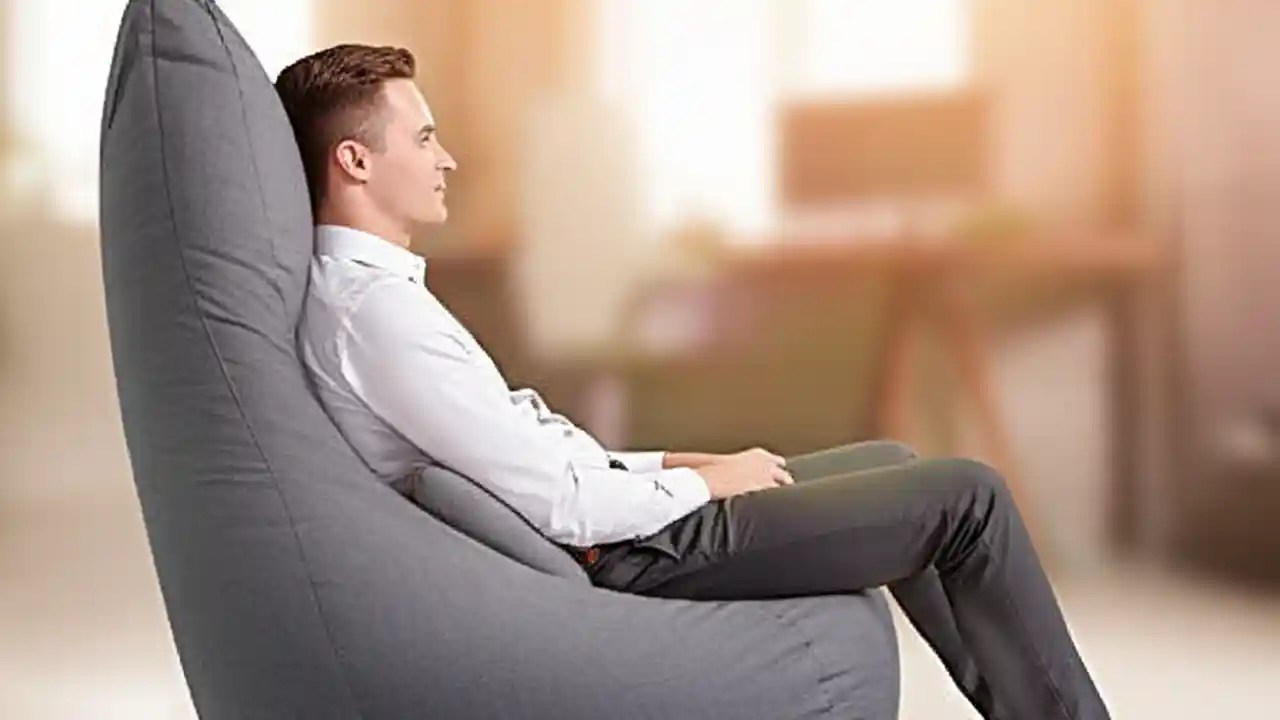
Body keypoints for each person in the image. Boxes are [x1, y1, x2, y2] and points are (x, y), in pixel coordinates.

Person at [276, 43, 1111, 720]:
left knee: (893, 454)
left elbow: (544, 457)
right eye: (422, 139)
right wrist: (699, 486)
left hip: (627, 523)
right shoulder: (375, 321)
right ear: (354, 160)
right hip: (634, 552)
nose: (446, 157)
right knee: (970, 496)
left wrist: (675, 458)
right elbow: (565, 508)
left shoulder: (381, 302)